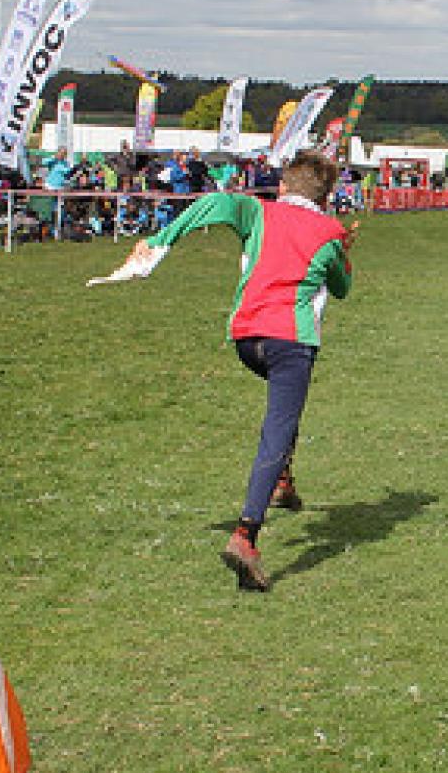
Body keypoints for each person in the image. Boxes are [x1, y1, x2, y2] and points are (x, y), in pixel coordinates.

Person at [115, 152, 356, 591]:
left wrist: (161, 240)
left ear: (283, 186)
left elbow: (215, 203)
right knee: (278, 428)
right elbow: (342, 289)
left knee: (286, 416)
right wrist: (344, 252)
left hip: (247, 339)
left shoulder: (256, 209)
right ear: (328, 195)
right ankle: (246, 535)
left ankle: (284, 480)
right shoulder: (331, 232)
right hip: (292, 342)